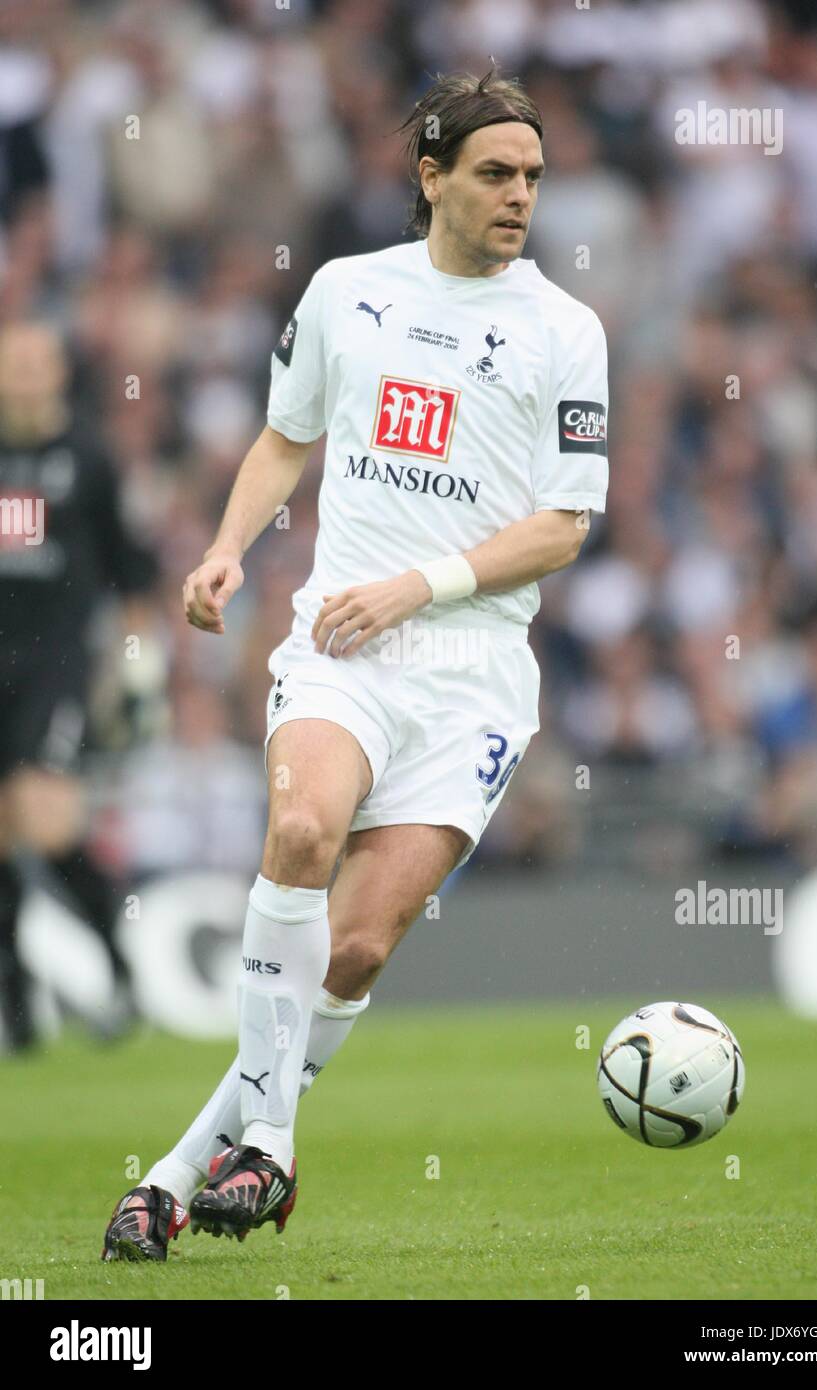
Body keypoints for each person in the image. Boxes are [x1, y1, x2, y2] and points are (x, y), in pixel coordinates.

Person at [101, 68, 610, 1263]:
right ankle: (270, 1141)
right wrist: (226, 550)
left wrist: (420, 585)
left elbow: (563, 525)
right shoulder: (346, 292)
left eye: (532, 176)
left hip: (472, 668)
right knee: (298, 835)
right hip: (341, 639)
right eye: (493, 172)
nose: (518, 196)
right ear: (428, 175)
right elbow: (287, 437)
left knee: (359, 947)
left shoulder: (563, 329)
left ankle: (176, 1174)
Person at [0, 320, 156, 1052]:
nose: (26, 378)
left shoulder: (88, 458)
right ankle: (20, 1004)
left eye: (37, 365)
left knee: (44, 816)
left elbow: (131, 569)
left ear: (59, 374)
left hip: (55, 665)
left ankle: (120, 970)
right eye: (14, 366)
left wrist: (137, 664)